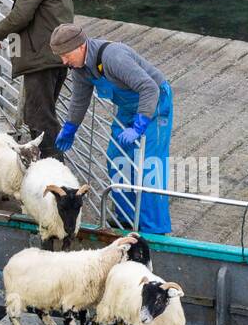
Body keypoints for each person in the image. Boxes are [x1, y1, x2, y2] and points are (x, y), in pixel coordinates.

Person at [49, 23, 173, 234]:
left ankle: (155, 228)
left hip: (155, 105)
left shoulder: (113, 57)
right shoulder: (79, 68)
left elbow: (149, 87)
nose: (64, 61)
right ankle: (125, 218)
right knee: (117, 159)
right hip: (127, 106)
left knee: (149, 166)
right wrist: (70, 127)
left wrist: (140, 125)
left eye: (66, 55)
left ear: (80, 47)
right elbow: (79, 101)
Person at [0, 0, 73, 161]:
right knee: (41, 113)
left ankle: (54, 169)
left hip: (41, 58)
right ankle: (46, 164)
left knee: (39, 116)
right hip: (56, 57)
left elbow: (21, 15)